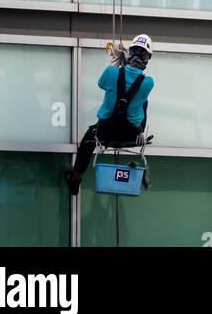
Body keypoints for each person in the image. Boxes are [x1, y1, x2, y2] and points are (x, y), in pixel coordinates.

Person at [64, 33, 154, 196]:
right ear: (147, 59)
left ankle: (76, 177)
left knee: (88, 139)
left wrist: (117, 63)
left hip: (105, 132)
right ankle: (141, 133)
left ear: (130, 52)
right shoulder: (148, 83)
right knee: (142, 101)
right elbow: (133, 79)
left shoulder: (111, 73)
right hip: (131, 135)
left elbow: (102, 84)